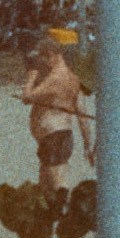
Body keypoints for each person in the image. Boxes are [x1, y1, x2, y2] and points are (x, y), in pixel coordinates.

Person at [23, 27, 92, 203]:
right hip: (65, 133)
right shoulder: (74, 79)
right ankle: (55, 205)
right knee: (51, 172)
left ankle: (62, 199)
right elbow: (82, 115)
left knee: (54, 176)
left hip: (52, 133)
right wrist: (87, 144)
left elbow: (27, 97)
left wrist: (31, 76)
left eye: (43, 58)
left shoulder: (54, 78)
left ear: (52, 54)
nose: (42, 63)